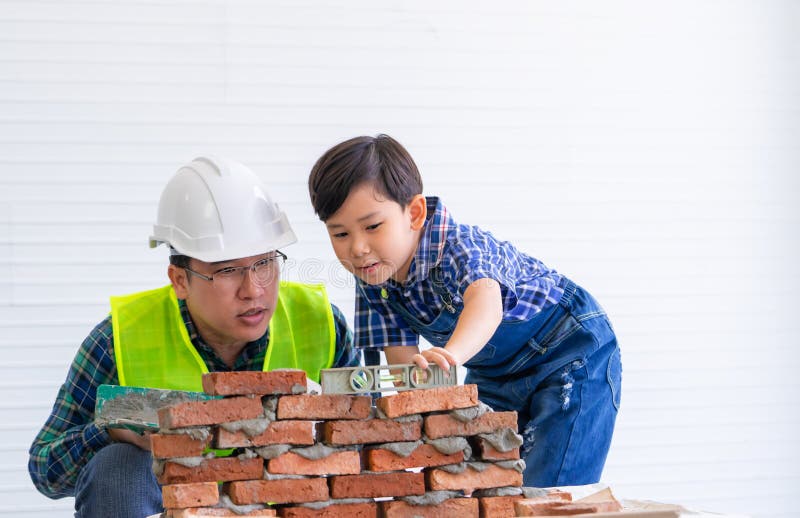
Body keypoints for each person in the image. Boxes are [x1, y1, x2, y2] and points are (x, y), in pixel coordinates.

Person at [29, 156, 360, 518]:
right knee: (118, 466)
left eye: (265, 263)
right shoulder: (121, 338)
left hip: (284, 503)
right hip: (176, 502)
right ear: (180, 280)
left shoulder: (320, 323)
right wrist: (112, 432)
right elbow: (46, 469)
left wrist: (318, 421)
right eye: (229, 270)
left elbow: (373, 449)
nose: (254, 290)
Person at [308, 134, 622, 487]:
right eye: (340, 234)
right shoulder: (374, 280)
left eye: (372, 227)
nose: (359, 248)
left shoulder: (459, 246)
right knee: (483, 481)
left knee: (550, 487)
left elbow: (486, 303)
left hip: (571, 350)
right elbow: (405, 368)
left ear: (414, 213)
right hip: (495, 372)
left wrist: (450, 356)